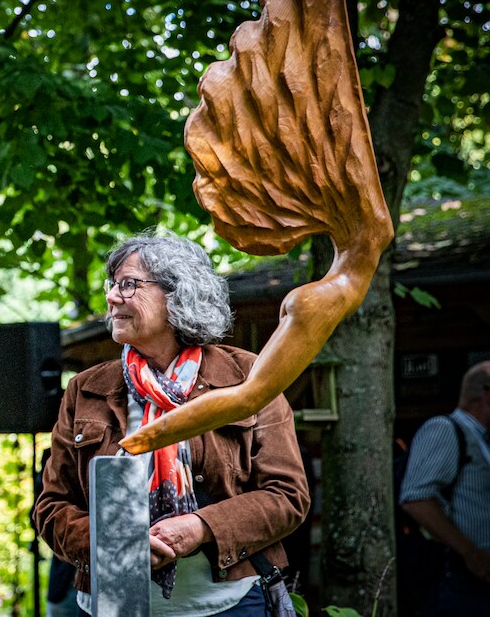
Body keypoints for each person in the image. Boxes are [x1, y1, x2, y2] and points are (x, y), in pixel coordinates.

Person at [33, 233, 309, 616]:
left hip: (228, 606)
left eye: (128, 285)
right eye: (112, 285)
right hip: (110, 606)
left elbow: (287, 496)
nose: (113, 297)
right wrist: (113, 543)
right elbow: (52, 507)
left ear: (179, 293)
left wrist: (200, 528)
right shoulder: (86, 388)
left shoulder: (250, 377)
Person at [399, 360, 490, 615]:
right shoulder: (444, 428)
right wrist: (471, 554)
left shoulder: (484, 440)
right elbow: (416, 499)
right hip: (458, 580)